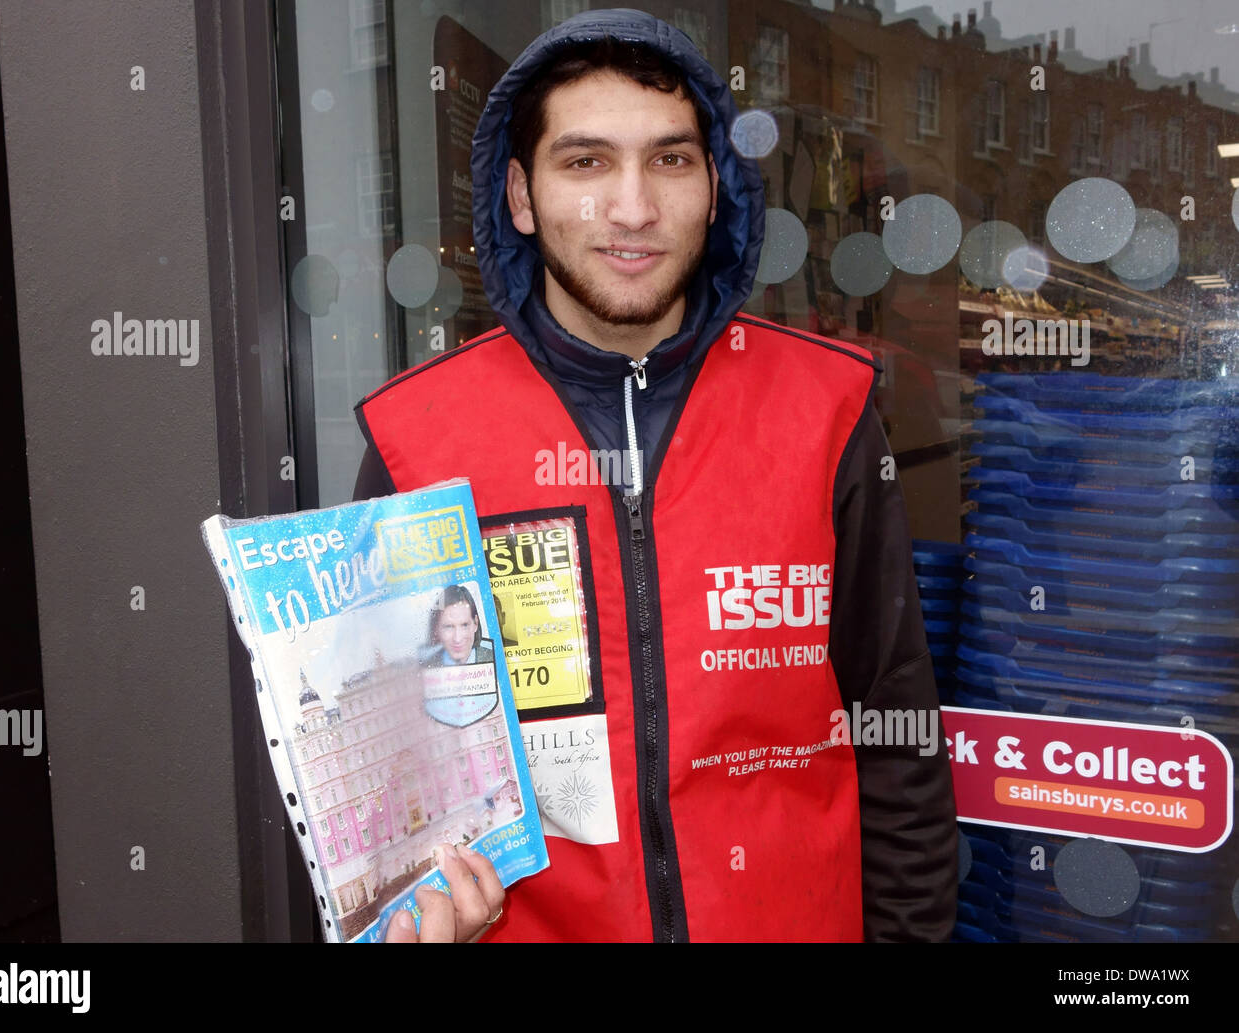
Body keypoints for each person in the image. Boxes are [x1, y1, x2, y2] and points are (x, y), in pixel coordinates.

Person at [361, 9, 959, 943]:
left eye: (672, 161)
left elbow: (896, 738)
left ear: (716, 188)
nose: (633, 208)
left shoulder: (826, 412)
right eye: (586, 162)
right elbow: (386, 776)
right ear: (520, 196)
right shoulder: (415, 441)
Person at [422, 584, 495, 667]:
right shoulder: (426, 667)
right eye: (448, 627)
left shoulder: (496, 658)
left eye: (465, 625)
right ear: (437, 628)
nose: (457, 639)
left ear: (476, 623)